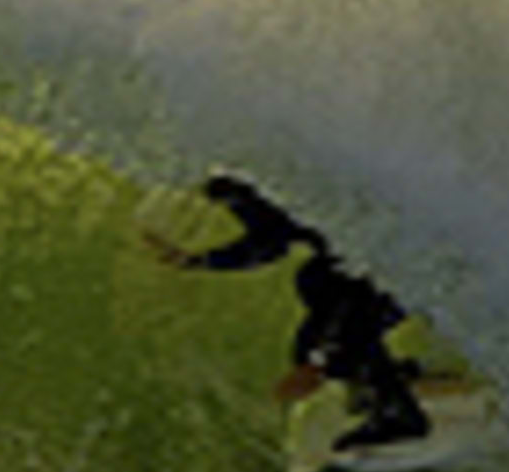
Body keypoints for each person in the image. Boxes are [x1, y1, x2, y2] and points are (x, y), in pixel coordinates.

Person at [144, 173, 434, 452]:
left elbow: (269, 242)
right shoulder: (276, 172)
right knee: (321, 298)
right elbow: (269, 242)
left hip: (401, 266)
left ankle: (399, 412)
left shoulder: (258, 181)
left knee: (327, 327)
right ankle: (384, 378)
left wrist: (317, 364)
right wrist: (200, 260)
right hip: (399, 263)